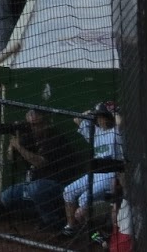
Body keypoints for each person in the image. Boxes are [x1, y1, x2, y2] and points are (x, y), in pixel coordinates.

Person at [0, 109, 86, 231]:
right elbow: (11, 158)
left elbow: (40, 163)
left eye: (36, 124)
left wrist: (19, 147)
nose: (32, 128)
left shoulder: (55, 138)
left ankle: (53, 220)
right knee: (6, 197)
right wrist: (13, 142)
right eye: (30, 125)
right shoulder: (29, 137)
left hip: (58, 186)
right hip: (32, 184)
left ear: (46, 123)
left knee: (35, 189)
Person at [62, 102, 124, 238]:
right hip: (95, 174)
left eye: (101, 116)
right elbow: (76, 119)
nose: (98, 119)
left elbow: (120, 123)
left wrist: (111, 112)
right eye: (97, 117)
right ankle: (71, 227)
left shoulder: (116, 132)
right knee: (68, 191)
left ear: (108, 117)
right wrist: (93, 111)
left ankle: (96, 234)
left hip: (111, 175)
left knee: (84, 199)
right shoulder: (94, 132)